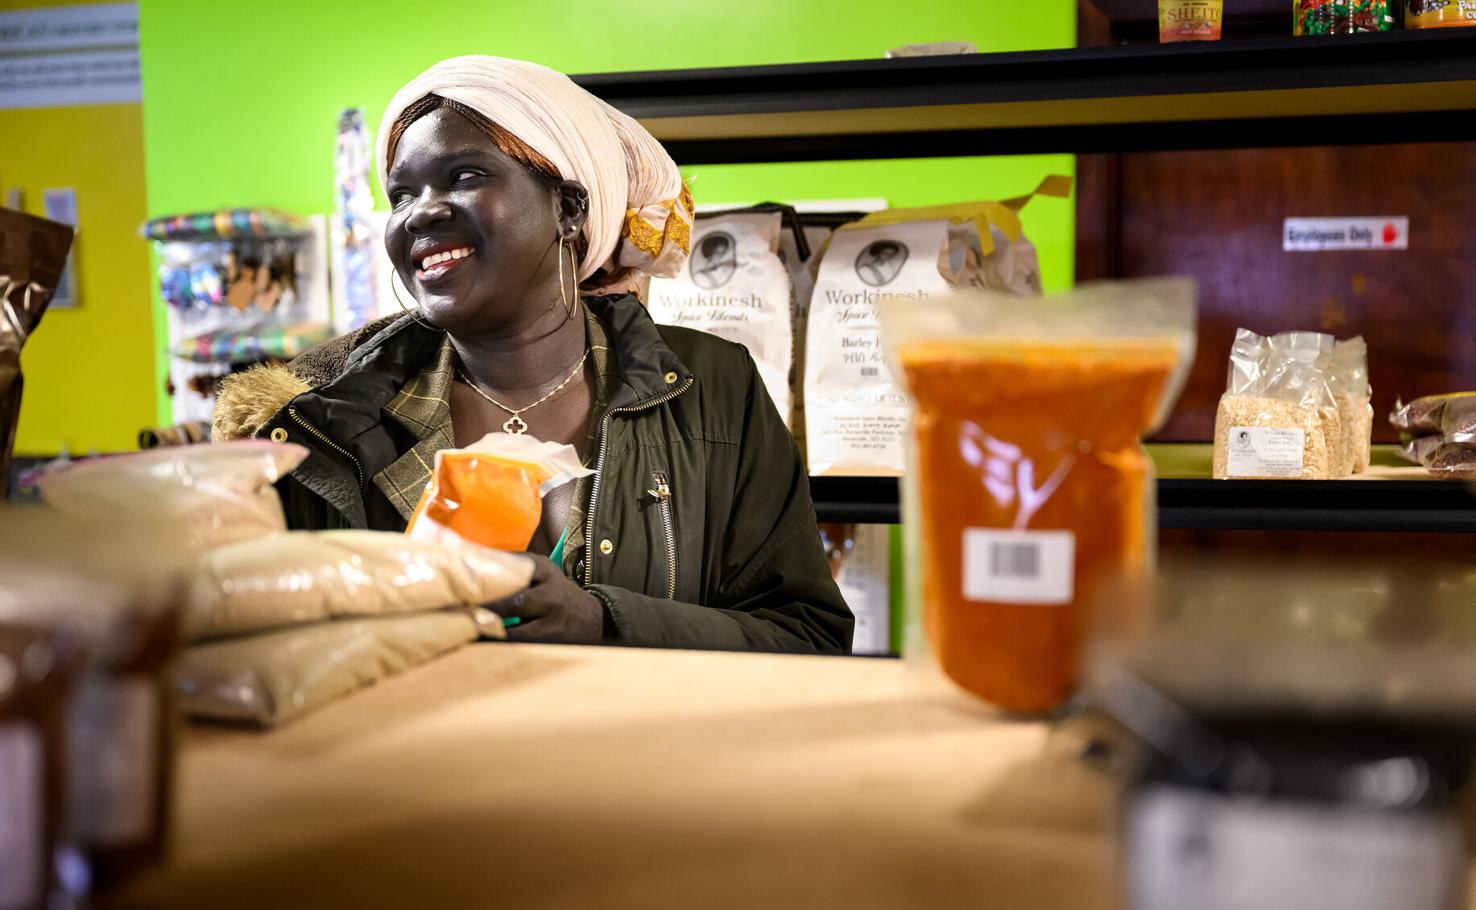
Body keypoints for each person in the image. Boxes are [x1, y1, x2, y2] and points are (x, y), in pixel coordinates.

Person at [213, 56, 853, 654]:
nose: (420, 214)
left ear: (569, 212)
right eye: (402, 195)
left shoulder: (712, 388)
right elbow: (264, 649)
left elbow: (807, 634)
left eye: (464, 176)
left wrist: (603, 620)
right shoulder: (325, 423)